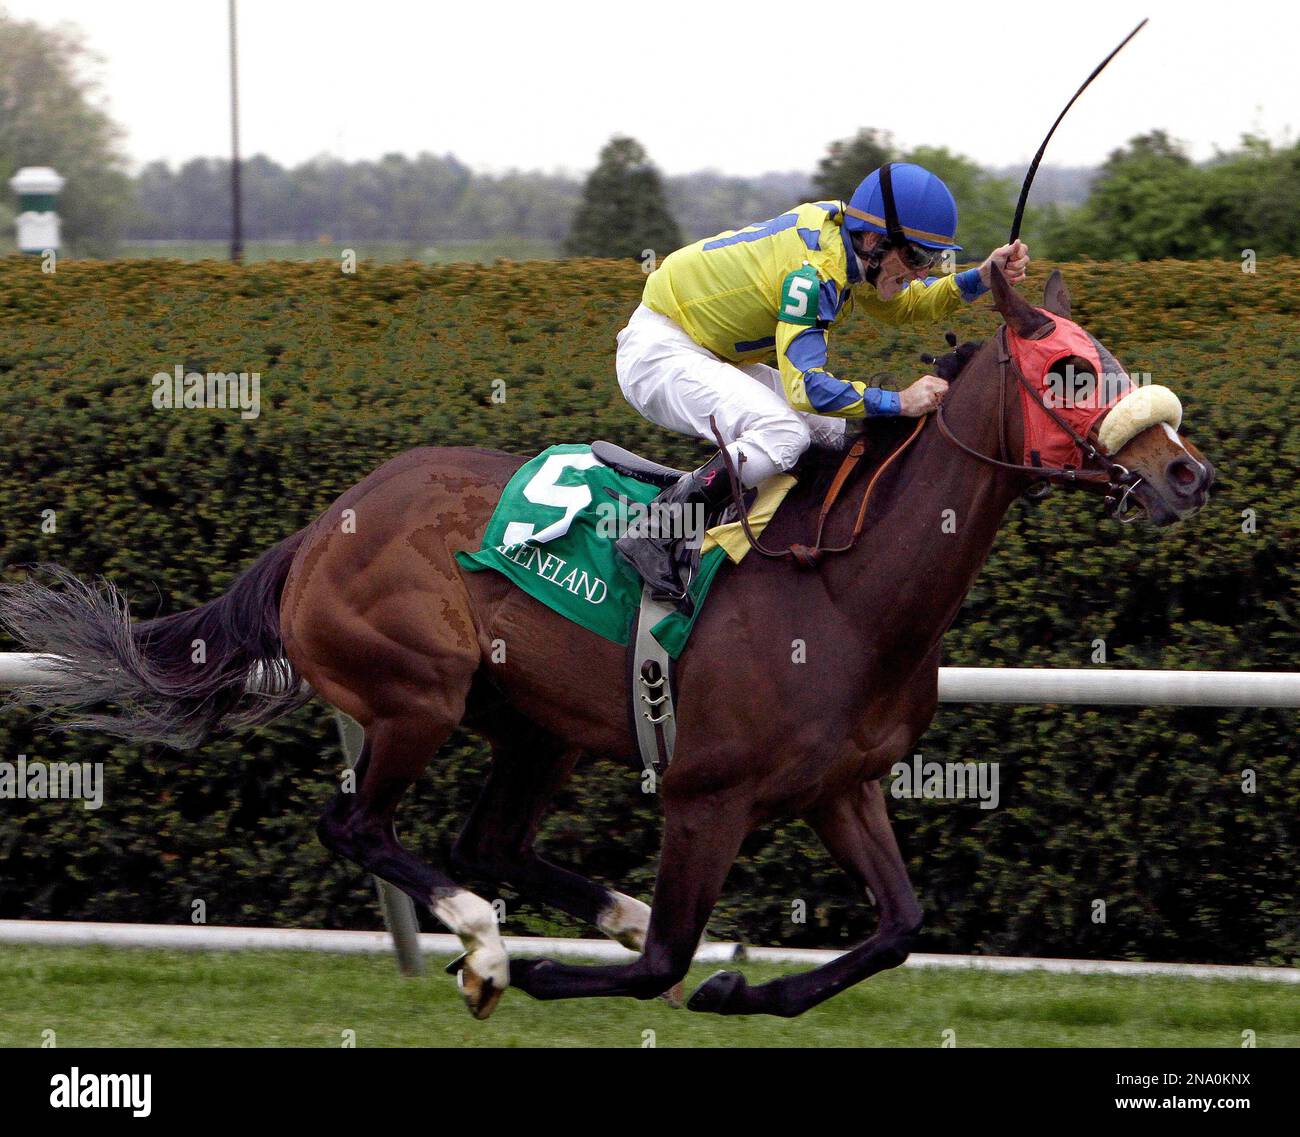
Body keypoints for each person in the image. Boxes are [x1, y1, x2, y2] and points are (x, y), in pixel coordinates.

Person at [613, 162, 1030, 602]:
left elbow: (906, 306)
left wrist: (983, 276)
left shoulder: (850, 244)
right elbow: (806, 388)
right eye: (917, 257)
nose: (924, 271)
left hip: (703, 347)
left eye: (931, 258)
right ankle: (657, 530)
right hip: (657, 352)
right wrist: (900, 401)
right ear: (874, 240)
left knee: (828, 431)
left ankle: (784, 535)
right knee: (784, 431)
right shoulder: (813, 274)